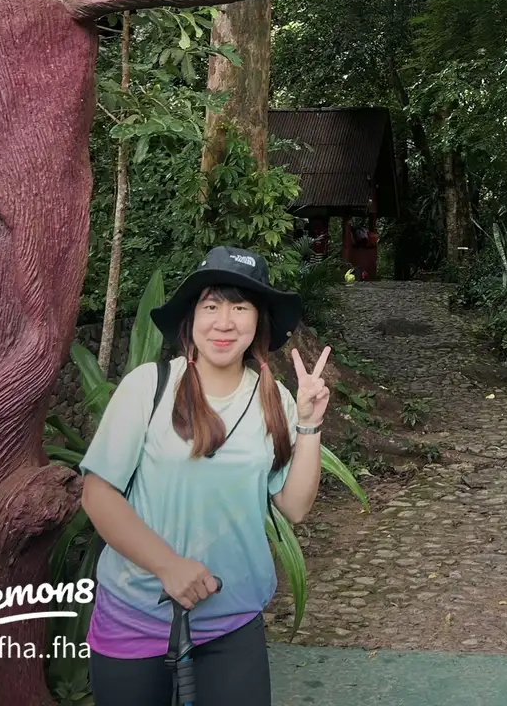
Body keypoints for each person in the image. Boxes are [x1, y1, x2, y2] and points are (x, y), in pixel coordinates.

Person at [79, 246, 331, 705]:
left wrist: (309, 423)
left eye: (240, 307)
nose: (224, 321)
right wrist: (168, 566)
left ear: (259, 322)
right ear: (192, 318)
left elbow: (293, 506)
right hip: (135, 618)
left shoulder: (275, 402)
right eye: (211, 305)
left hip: (232, 623)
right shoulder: (148, 388)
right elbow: (98, 494)